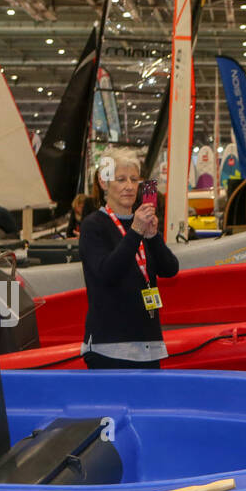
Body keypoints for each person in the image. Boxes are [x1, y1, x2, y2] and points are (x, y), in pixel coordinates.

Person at [78, 148, 179, 369]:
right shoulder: (93, 225)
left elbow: (170, 269)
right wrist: (134, 233)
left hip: (148, 343)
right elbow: (107, 273)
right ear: (104, 184)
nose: (129, 186)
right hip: (110, 345)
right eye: (121, 179)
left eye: (134, 179)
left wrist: (152, 237)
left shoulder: (142, 222)